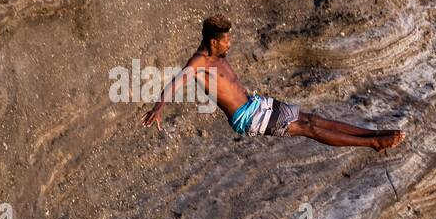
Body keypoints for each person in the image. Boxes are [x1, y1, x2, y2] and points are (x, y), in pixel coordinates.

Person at [142, 16, 406, 150]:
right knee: (306, 128)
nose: (230, 44)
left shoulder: (218, 54)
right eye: (226, 40)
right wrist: (159, 107)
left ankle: (374, 133)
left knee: (312, 118)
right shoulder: (199, 63)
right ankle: (373, 144)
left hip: (258, 103)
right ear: (213, 41)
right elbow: (176, 82)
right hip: (248, 118)